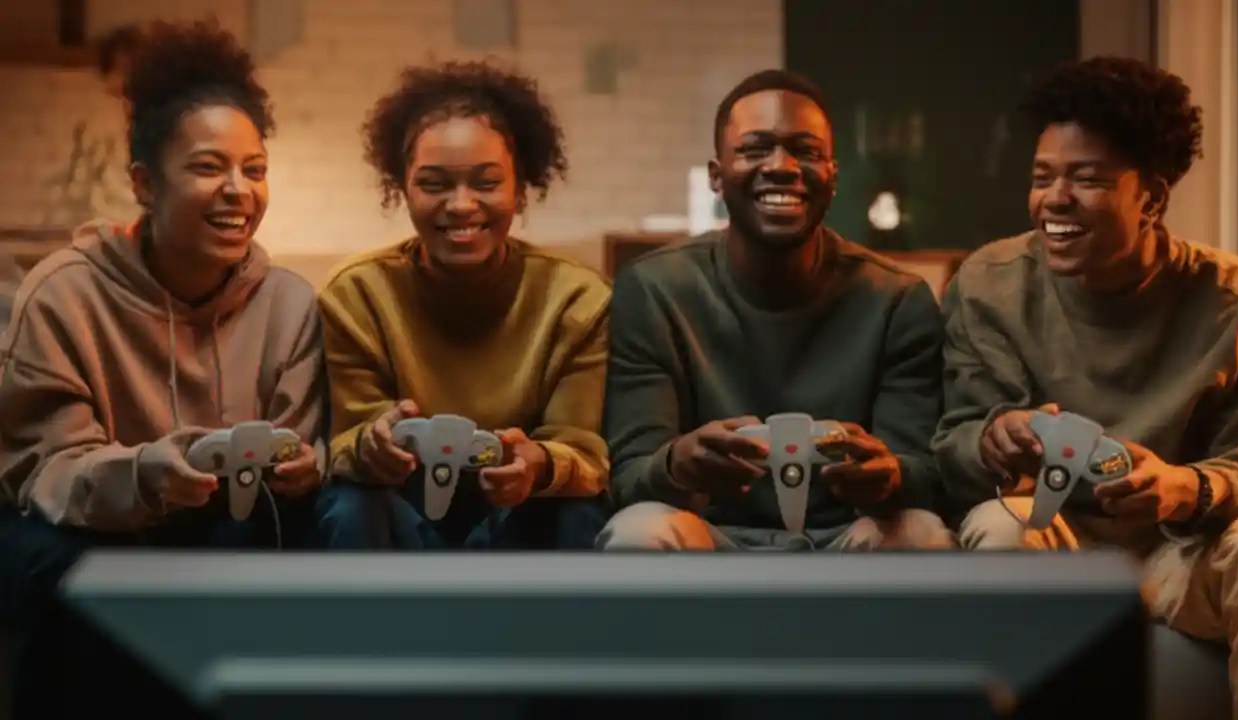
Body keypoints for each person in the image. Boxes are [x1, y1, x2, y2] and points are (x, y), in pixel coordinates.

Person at [931, 56, 1238, 720]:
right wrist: (993, 441)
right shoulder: (990, 283)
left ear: (1151, 197)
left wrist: (1186, 487)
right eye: (1042, 178)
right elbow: (951, 441)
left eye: (1086, 179)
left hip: (1188, 551)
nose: (1054, 199)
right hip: (1051, 531)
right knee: (997, 528)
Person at [0, 20, 328, 711]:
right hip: (87, 527)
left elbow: (297, 447)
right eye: (209, 167)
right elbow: (45, 473)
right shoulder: (62, 293)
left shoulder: (290, 304)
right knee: (52, 561)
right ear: (145, 184)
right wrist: (148, 472)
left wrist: (306, 465)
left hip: (226, 525)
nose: (239, 190)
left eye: (255, 169)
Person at [597, 70, 954, 551]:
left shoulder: (896, 299)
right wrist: (676, 462)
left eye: (805, 151)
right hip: (709, 534)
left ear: (832, 174)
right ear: (716, 176)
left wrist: (889, 475)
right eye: (754, 148)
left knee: (921, 533)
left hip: (848, 536)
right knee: (640, 528)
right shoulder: (656, 289)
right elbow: (629, 475)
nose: (782, 166)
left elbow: (928, 473)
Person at [314, 61, 610, 550]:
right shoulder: (357, 294)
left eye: (486, 183)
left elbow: (584, 452)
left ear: (521, 187)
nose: (461, 205)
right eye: (434, 184)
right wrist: (375, 447)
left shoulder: (576, 299)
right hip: (402, 511)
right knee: (351, 502)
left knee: (578, 508)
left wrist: (538, 463)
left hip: (520, 513)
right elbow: (344, 443)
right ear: (401, 188)